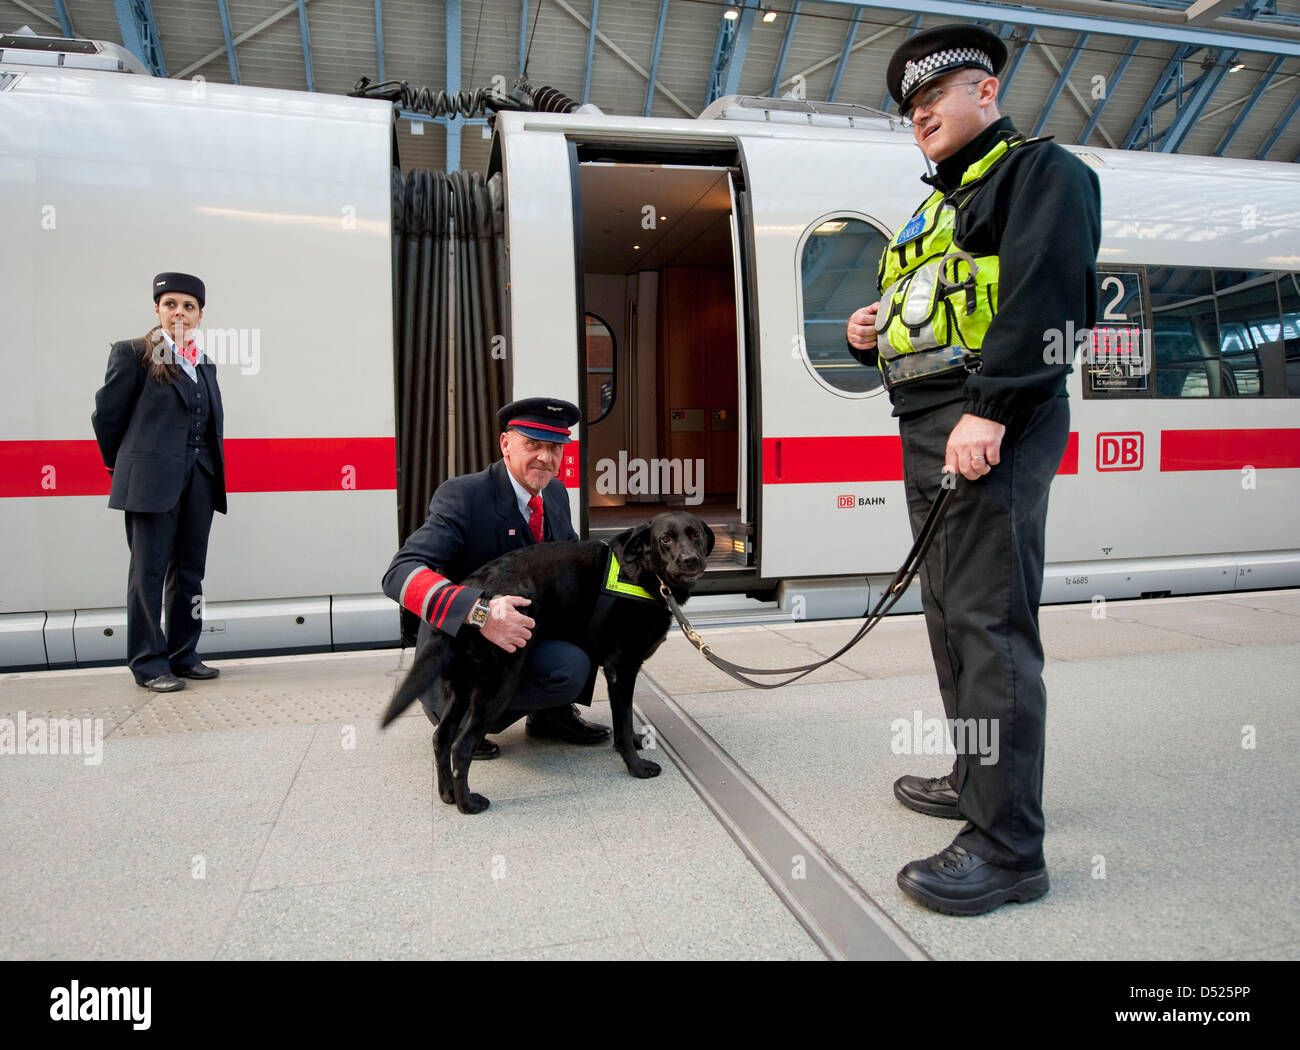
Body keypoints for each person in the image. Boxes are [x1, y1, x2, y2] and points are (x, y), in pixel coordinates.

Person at [846, 24, 1100, 915]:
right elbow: (952, 296)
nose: (919, 119)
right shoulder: (942, 204)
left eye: (932, 101)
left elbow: (1046, 296)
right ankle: (975, 778)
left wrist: (990, 408)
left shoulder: (1041, 173)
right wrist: (871, 328)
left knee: (990, 626)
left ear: (984, 92)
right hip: (929, 421)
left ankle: (1007, 849)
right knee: (951, 614)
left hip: (990, 420)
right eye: (909, 111)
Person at [382, 397, 611, 758]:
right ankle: (462, 719)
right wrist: (479, 612)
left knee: (586, 638)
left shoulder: (554, 492)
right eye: (532, 444)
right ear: (506, 444)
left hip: (522, 639)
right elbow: (400, 572)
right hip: (463, 652)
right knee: (563, 661)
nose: (546, 458)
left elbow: (571, 566)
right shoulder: (464, 495)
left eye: (555, 447)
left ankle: (550, 715)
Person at [92, 272, 227, 692]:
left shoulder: (203, 362)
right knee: (147, 573)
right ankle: (149, 664)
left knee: (190, 572)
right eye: (170, 304)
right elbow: (107, 416)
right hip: (151, 481)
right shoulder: (134, 353)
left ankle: (183, 655)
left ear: (200, 314)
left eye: (189, 306)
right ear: (157, 310)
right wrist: (124, 468)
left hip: (199, 480)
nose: (179, 313)